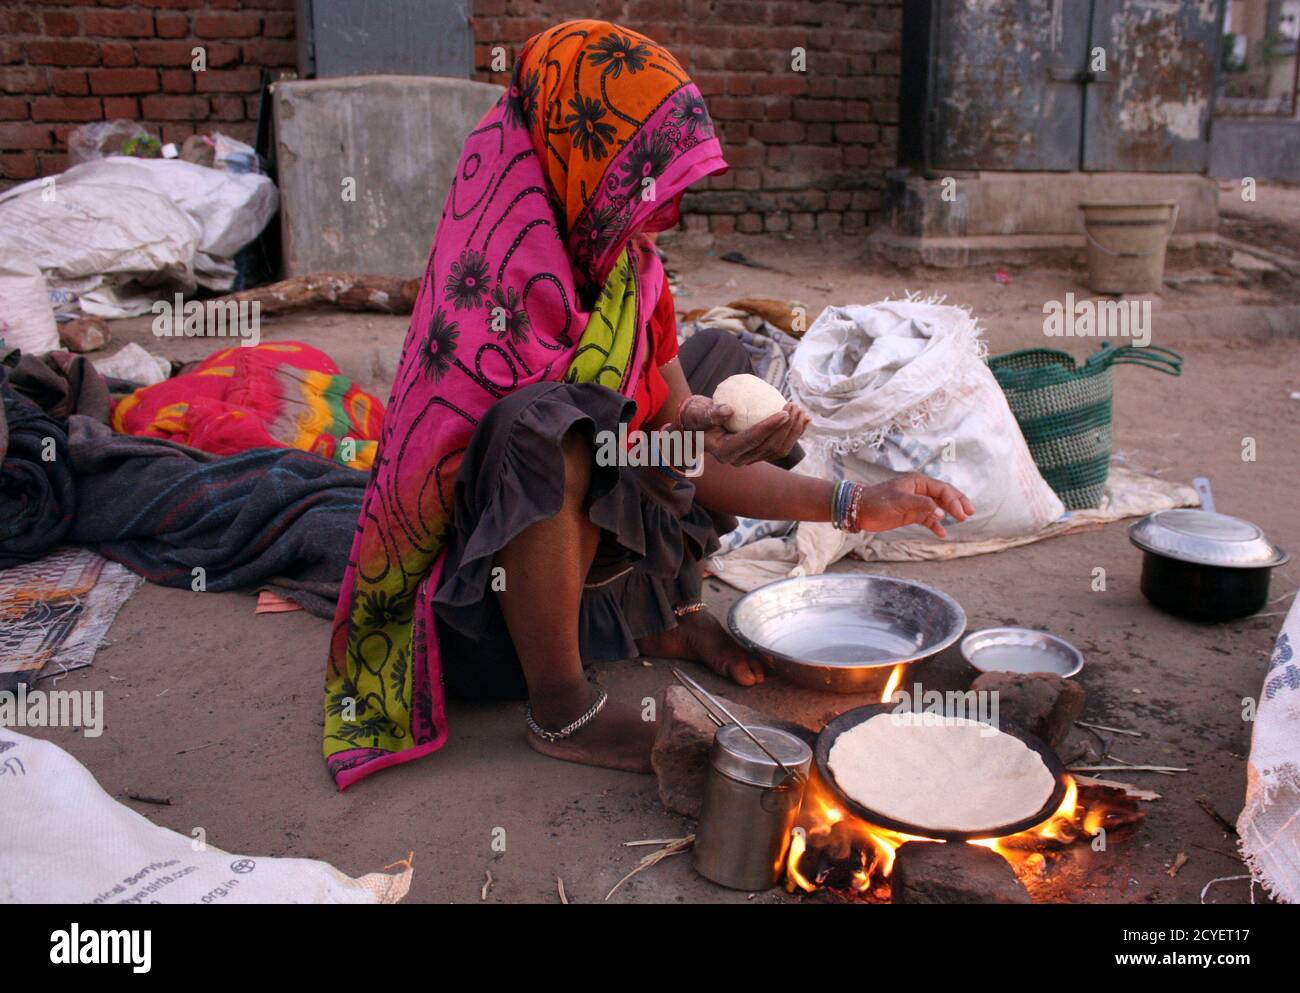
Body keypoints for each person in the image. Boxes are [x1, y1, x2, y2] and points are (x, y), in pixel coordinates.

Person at [323, 20, 972, 789]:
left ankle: (667, 617)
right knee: (551, 428)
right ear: (579, 154)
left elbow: (666, 440)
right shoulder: (488, 282)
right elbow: (581, 458)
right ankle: (562, 706)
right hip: (485, 612)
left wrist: (852, 500)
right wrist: (669, 456)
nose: (667, 212)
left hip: (592, 557)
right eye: (647, 181)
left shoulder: (632, 271)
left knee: (717, 367)